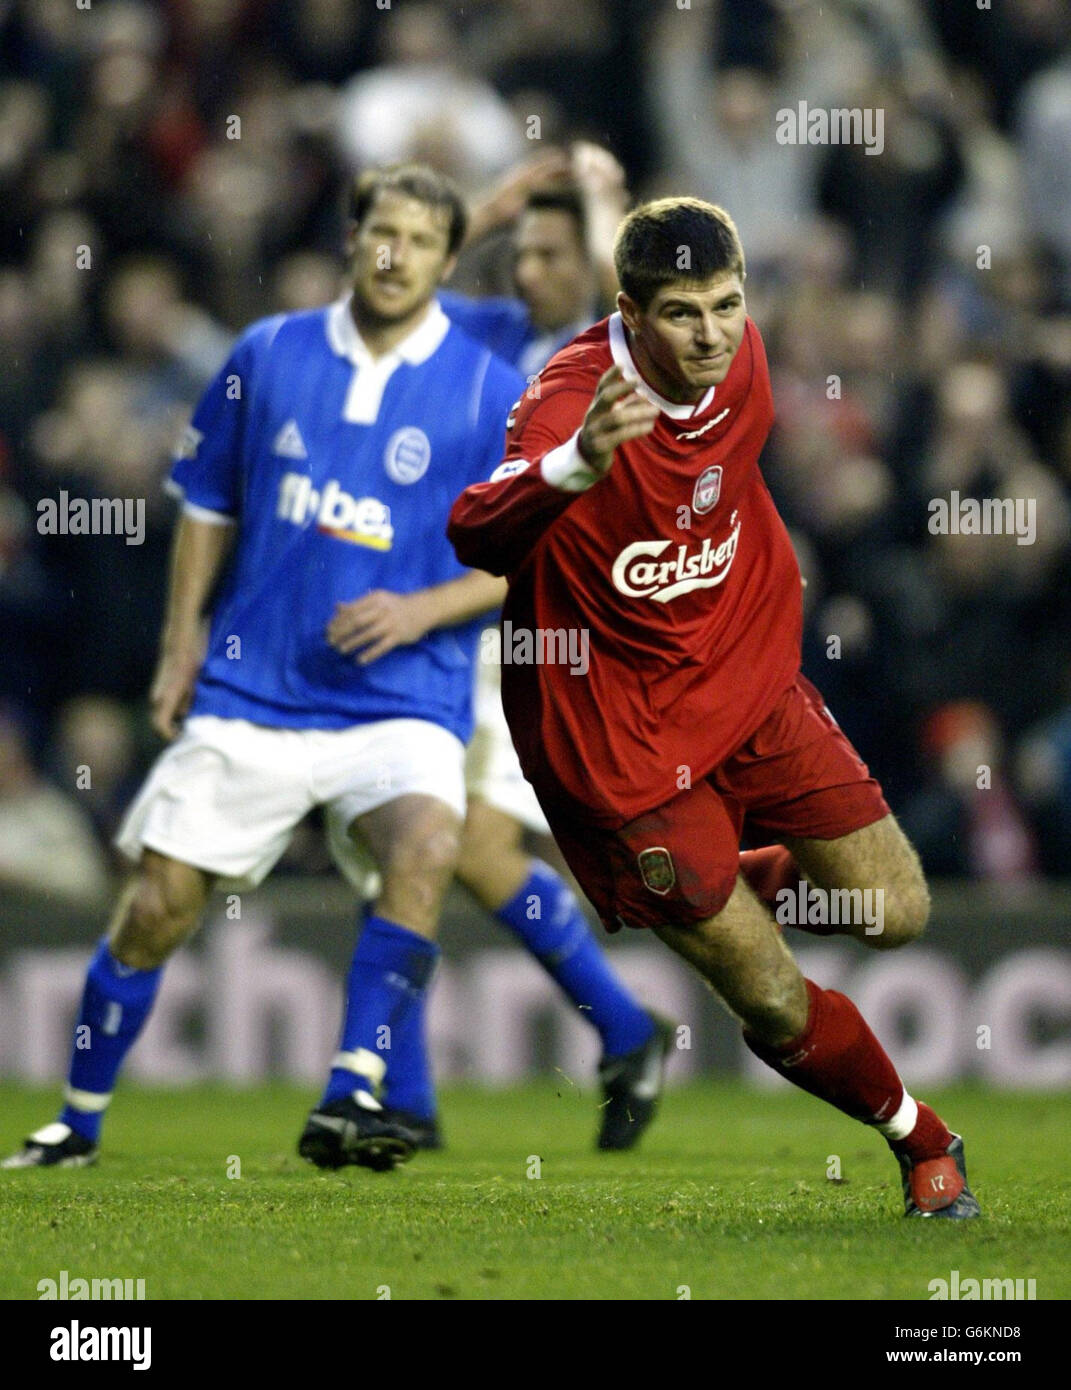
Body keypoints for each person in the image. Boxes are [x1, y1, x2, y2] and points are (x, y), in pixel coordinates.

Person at [448, 196, 981, 1219]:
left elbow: (726, 486)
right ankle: (922, 1139)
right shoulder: (572, 400)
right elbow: (473, 528)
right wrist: (575, 467)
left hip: (746, 679)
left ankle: (739, 865)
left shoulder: (745, 357)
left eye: (727, 306)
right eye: (683, 313)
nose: (712, 333)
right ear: (630, 313)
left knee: (895, 914)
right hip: (619, 741)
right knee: (770, 989)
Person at [2, 163, 522, 1174]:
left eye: (419, 240)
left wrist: (422, 607)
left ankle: (350, 1092)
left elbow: (529, 555)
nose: (394, 253)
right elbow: (207, 497)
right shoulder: (268, 353)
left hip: (399, 694)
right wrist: (182, 638)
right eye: (381, 230)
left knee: (425, 843)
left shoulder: (489, 389)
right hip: (257, 692)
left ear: (449, 259)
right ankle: (77, 1120)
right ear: (352, 236)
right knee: (158, 904)